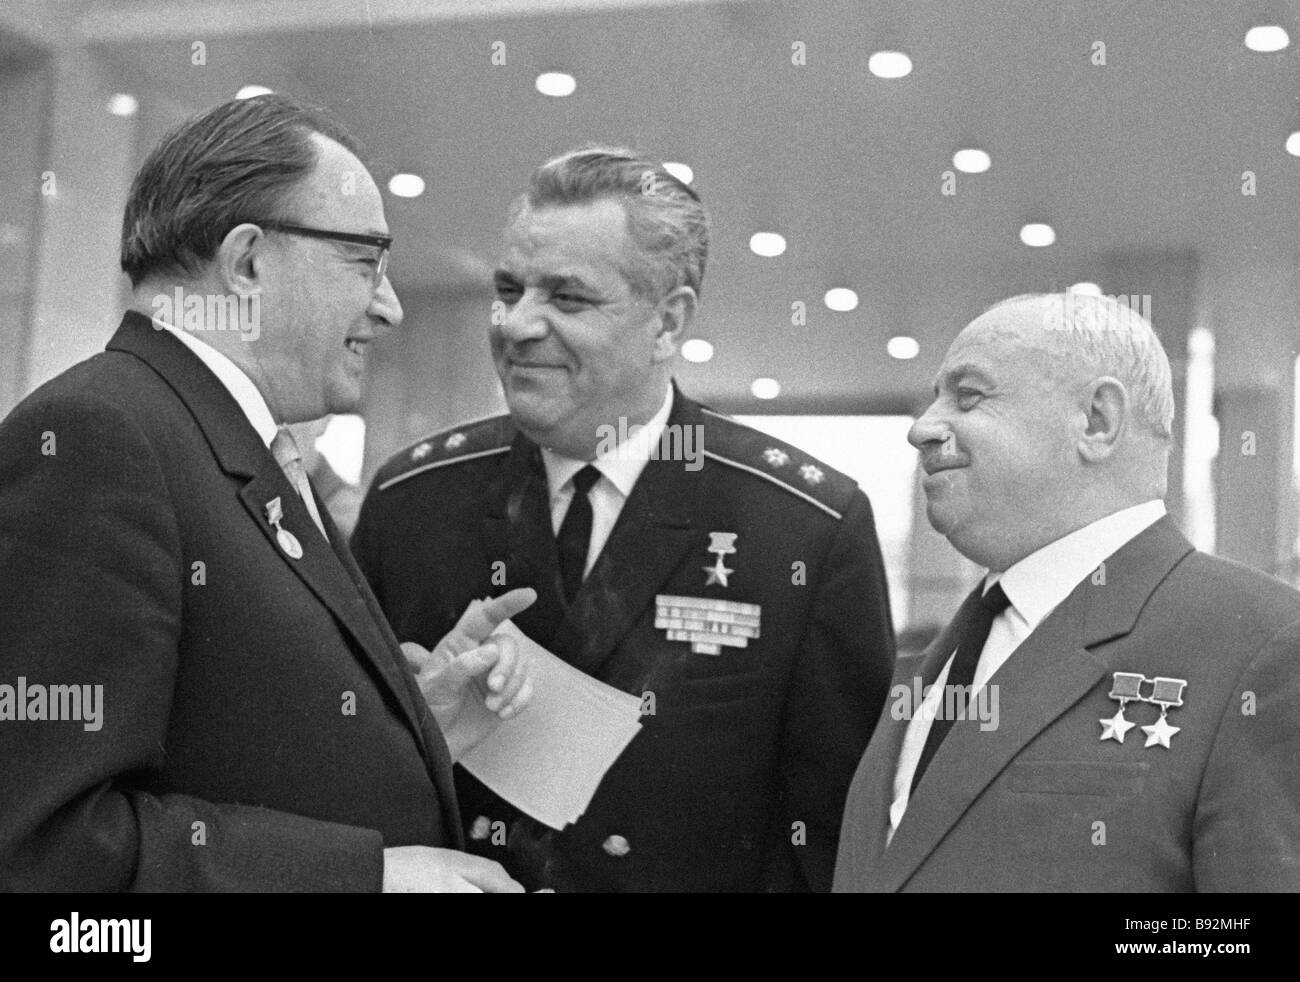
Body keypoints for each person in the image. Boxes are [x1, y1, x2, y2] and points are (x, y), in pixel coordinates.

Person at [0, 94, 534, 892]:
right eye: (365, 262)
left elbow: (230, 743)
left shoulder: (240, 444)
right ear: (248, 261)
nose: (388, 306)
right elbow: (46, 850)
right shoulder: (101, 437)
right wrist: (365, 881)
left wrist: (417, 726)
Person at [352, 147, 896, 892]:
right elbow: (348, 775)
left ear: (668, 322)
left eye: (568, 299)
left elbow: (831, 832)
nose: (516, 325)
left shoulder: (800, 527)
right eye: (508, 290)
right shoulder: (414, 500)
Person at [833, 292, 1300, 892]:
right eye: (932, 399)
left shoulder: (1263, 647)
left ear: (1096, 420)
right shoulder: (935, 662)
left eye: (968, 396)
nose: (923, 428)